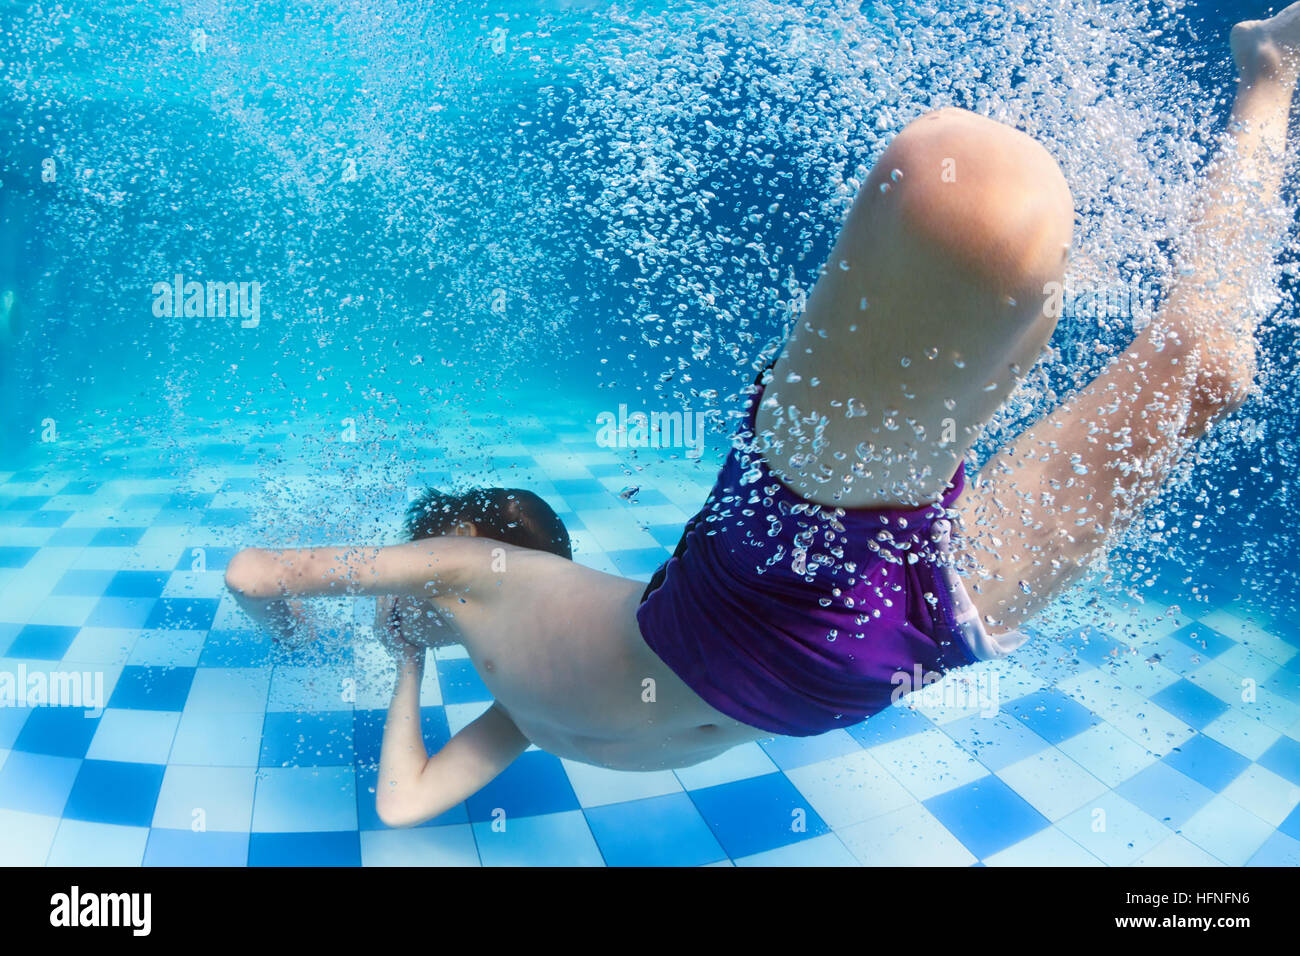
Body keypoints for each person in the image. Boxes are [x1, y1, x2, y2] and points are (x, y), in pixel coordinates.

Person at [225, 6, 1300, 828]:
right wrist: (409, 662)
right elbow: (404, 801)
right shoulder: (516, 706)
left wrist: (329, 620)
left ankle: (1040, 311)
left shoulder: (467, 570)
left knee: (961, 187)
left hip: (762, 582)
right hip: (885, 655)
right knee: (1207, 370)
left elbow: (253, 571)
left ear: (459, 540)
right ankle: (1270, 78)